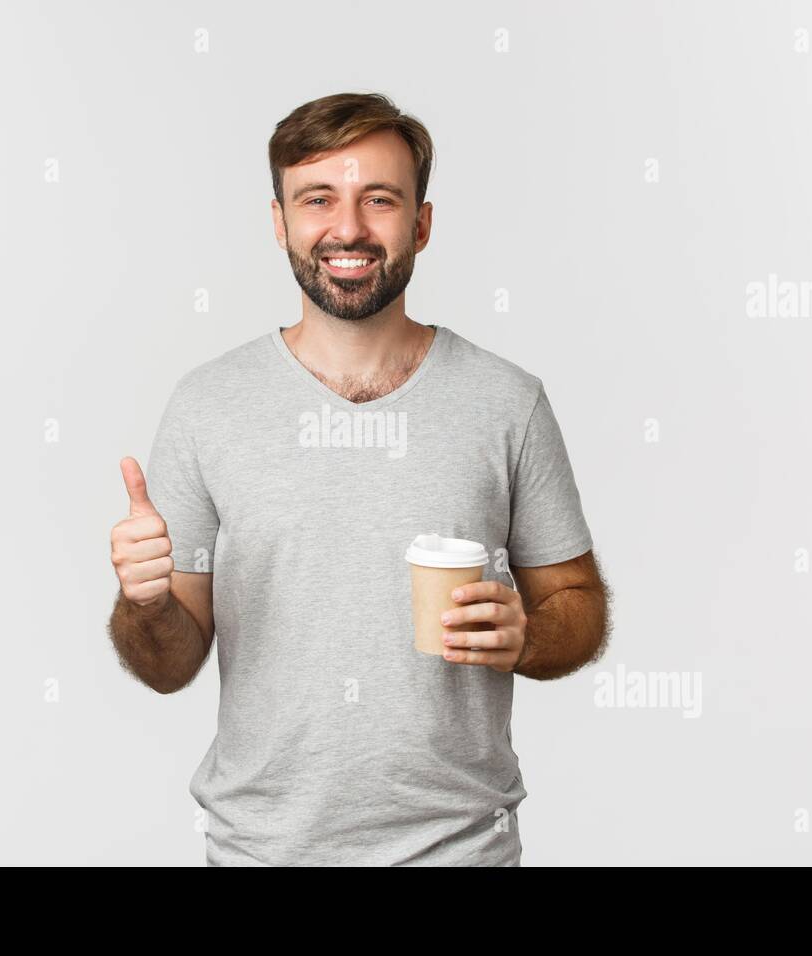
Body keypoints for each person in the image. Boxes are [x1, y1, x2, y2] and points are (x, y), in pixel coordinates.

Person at [108, 92, 611, 866]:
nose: (347, 229)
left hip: (462, 852)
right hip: (261, 852)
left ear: (422, 223)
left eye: (379, 200)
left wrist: (529, 634)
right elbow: (169, 663)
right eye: (318, 200)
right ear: (280, 222)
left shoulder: (507, 401)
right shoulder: (208, 406)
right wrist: (144, 605)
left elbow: (577, 605)